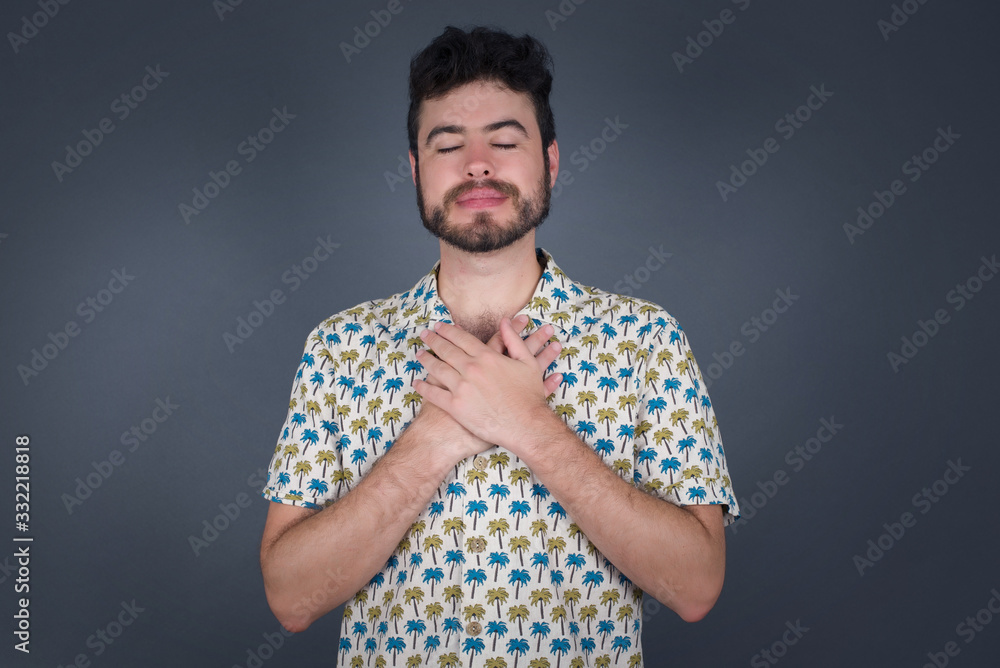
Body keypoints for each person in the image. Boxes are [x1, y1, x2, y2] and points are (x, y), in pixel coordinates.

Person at [259, 25, 740, 667]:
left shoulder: (647, 341)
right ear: (415, 171)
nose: (477, 163)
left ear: (551, 160)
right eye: (448, 144)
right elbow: (291, 599)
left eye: (505, 141)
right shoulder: (340, 348)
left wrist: (529, 426)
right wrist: (436, 437)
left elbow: (697, 586)